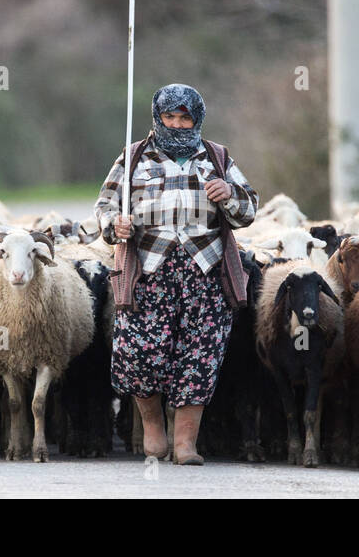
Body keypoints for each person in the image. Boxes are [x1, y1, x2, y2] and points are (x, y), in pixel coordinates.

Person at [94, 83, 258, 465]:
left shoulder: (217, 157)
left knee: (200, 354)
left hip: (205, 271)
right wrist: (114, 224)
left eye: (185, 117)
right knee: (141, 352)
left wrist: (228, 194)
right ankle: (152, 429)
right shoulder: (133, 157)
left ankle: (186, 444)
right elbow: (105, 203)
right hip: (150, 269)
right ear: (158, 117)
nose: (178, 124)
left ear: (196, 119)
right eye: (170, 116)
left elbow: (248, 210)